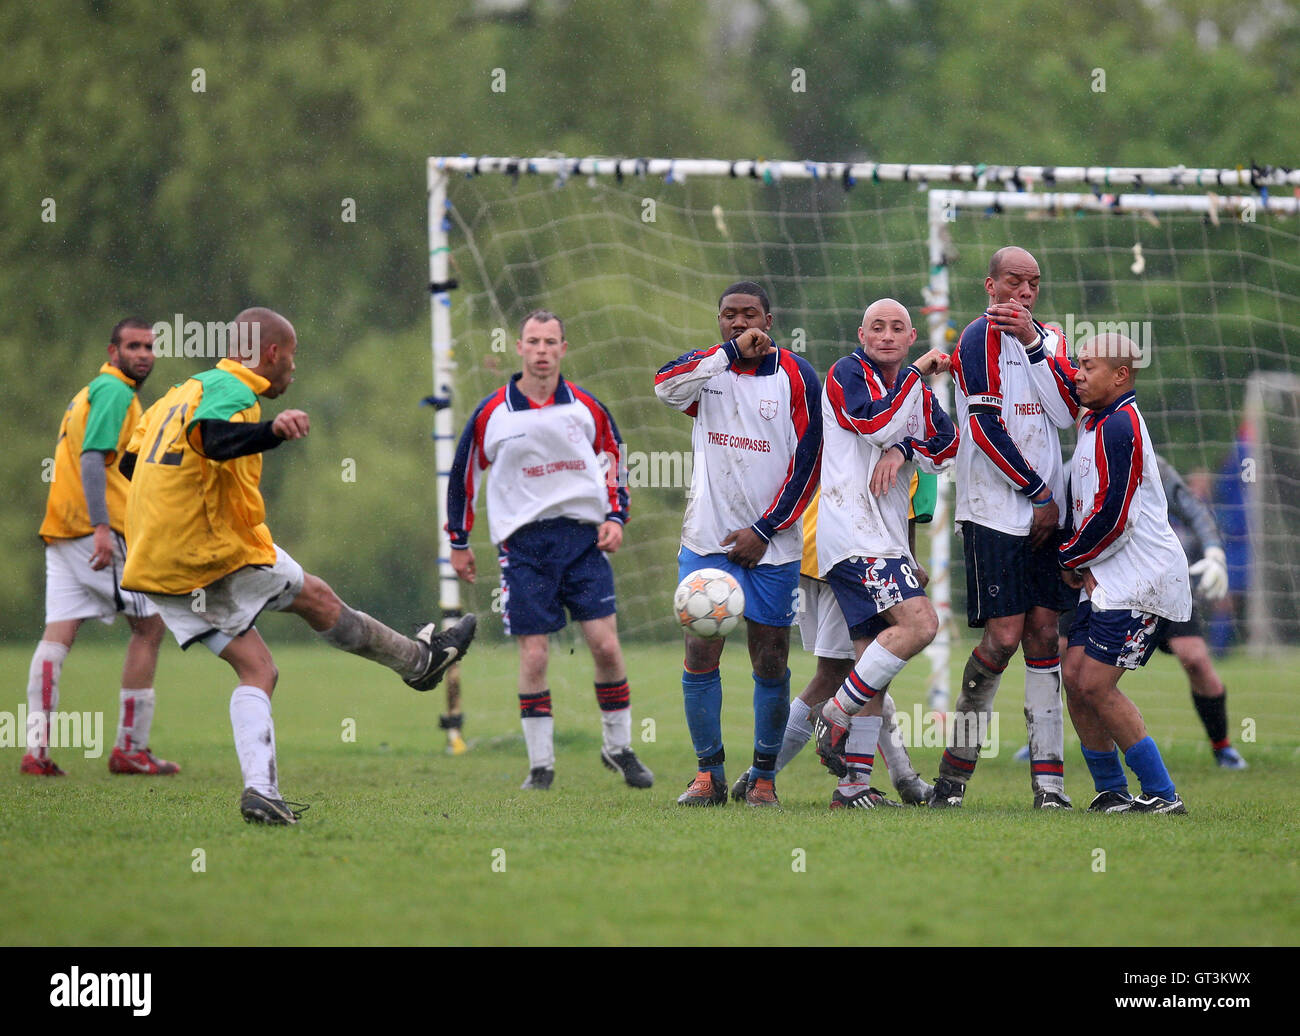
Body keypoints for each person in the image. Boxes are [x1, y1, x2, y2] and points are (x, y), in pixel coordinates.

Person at [120, 307, 475, 824]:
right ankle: (419, 665)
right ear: (271, 354)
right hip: (210, 552)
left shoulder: (181, 390)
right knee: (317, 600)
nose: (293, 369)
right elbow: (210, 440)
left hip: (155, 563)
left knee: (260, 667)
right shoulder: (234, 389)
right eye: (292, 358)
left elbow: (133, 463)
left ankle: (262, 792)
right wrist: (272, 432)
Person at [446, 309, 651, 792]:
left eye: (550, 342)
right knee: (535, 656)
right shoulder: (492, 412)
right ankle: (540, 766)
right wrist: (458, 542)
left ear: (563, 348)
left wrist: (616, 518)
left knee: (605, 644)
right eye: (533, 341)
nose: (541, 350)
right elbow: (463, 479)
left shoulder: (586, 407)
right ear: (519, 348)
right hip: (525, 548)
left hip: (582, 541)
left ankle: (618, 747)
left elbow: (615, 461)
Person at [654, 281, 822, 807]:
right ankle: (708, 775)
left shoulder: (797, 375)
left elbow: (811, 461)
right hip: (706, 541)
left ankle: (764, 777)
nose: (738, 322)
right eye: (728, 315)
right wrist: (726, 354)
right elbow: (664, 386)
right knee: (701, 647)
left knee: (770, 658)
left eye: (749, 314)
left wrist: (765, 530)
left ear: (768, 321)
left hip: (772, 546)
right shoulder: (709, 373)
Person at [935, 246, 1074, 810]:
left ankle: (1050, 787)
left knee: (1046, 636)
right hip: (994, 507)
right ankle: (953, 776)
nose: (1023, 293)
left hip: (1048, 512)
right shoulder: (975, 338)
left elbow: (1066, 413)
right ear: (989, 285)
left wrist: (1036, 344)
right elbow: (986, 428)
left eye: (1033, 284)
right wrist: (1037, 491)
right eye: (1013, 282)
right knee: (1004, 637)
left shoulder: (1050, 341)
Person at [808, 299, 958, 797]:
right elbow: (874, 424)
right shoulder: (846, 372)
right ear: (863, 334)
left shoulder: (913, 391)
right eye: (878, 327)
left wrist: (905, 449)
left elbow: (947, 448)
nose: (887, 335)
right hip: (853, 534)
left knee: (873, 665)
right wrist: (917, 376)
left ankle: (853, 788)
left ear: (911, 334)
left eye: (897, 328)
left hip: (885, 539)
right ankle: (834, 713)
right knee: (922, 624)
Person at [23, 318, 178, 777]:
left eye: (149, 346)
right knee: (149, 627)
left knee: (57, 637)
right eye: (133, 346)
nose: (143, 354)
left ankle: (35, 752)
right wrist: (103, 528)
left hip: (62, 528)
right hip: (95, 532)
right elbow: (94, 460)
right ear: (113, 352)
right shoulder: (115, 392)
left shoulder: (90, 392)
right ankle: (130, 748)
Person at [728, 471, 939, 807]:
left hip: (817, 545)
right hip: (851, 556)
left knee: (861, 672)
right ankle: (770, 778)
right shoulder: (919, 432)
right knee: (848, 675)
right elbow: (905, 509)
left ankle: (903, 778)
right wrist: (909, 562)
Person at [1056, 333, 1192, 813]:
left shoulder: (1121, 426)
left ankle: (1163, 794)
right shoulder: (1095, 420)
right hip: (1105, 577)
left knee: (1095, 683)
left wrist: (1069, 557)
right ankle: (1110, 790)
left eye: (1088, 366)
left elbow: (1115, 516)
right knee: (1073, 677)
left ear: (1121, 375)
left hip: (1140, 579)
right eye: (1077, 364)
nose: (1078, 373)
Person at [1039, 458, 1245, 769]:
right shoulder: (1074, 467)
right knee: (1067, 659)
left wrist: (1214, 551)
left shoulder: (1152, 465)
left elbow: (1193, 509)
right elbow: (1057, 521)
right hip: (1097, 582)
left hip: (1158, 580)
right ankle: (1046, 744)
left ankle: (1222, 747)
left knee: (1195, 659)